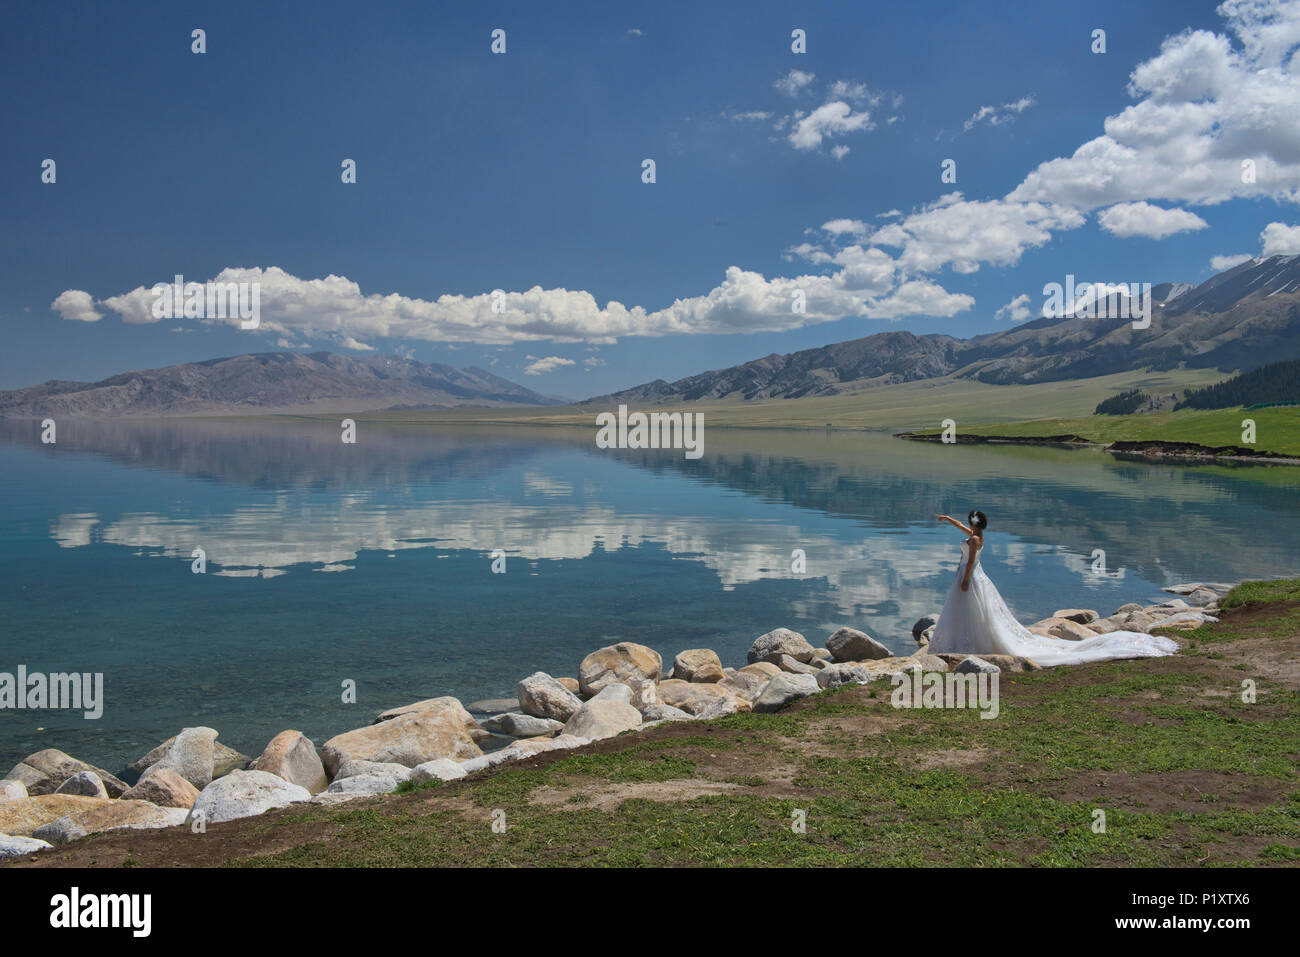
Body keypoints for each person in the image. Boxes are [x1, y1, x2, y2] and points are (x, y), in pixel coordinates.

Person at [927, 511, 1178, 666]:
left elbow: (970, 560)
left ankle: (967, 642)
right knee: (977, 611)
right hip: (973, 576)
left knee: (969, 608)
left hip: (969, 575)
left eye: (969, 521)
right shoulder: (977, 535)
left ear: (975, 525)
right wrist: (948, 520)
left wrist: (965, 579)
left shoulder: (973, 540)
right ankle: (967, 641)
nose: (967, 525)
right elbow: (964, 531)